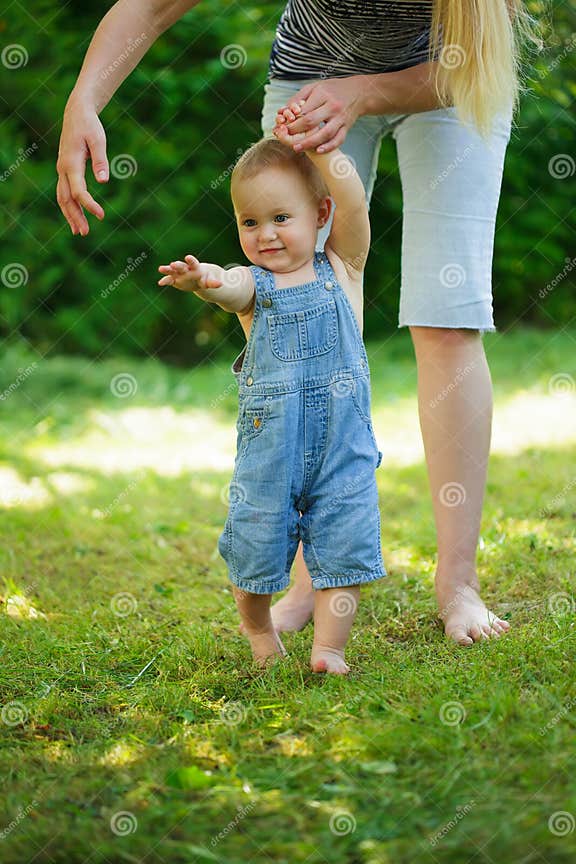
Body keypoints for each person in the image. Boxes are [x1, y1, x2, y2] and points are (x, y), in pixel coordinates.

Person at [57, 0, 538, 646]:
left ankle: (458, 584)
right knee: (305, 311)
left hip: (454, 75)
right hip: (312, 75)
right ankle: (315, 583)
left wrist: (364, 90)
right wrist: (83, 100)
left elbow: (482, 58)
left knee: (448, 319)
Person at [158, 117, 386, 672]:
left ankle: (329, 647)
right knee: (256, 546)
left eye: (282, 218)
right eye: (250, 222)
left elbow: (355, 206)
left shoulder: (343, 268)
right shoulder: (254, 287)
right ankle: (259, 630)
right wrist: (206, 280)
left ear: (320, 216)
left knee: (346, 549)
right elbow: (230, 282)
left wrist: (326, 150)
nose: (266, 234)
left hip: (343, 449)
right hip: (270, 454)